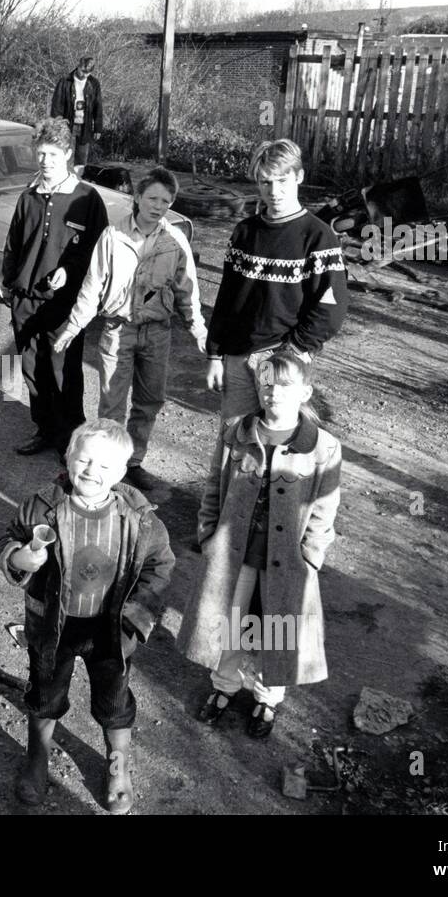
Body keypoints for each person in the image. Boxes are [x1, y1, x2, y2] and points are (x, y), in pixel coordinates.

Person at [0, 419, 175, 813]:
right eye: (85, 459)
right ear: (68, 456)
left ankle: (118, 765)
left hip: (111, 628)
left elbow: (160, 566)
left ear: (123, 471)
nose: (93, 472)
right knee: (45, 692)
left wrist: (136, 617)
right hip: (52, 625)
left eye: (106, 466)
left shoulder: (139, 517)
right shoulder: (42, 506)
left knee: (114, 699)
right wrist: (20, 557)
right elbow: (9, 537)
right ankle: (38, 758)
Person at [179, 351, 341, 739]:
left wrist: (311, 557)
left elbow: (324, 508)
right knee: (232, 623)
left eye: (285, 384)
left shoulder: (323, 447)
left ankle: (267, 697)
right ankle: (224, 688)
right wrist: (207, 534)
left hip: (288, 562)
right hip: (235, 554)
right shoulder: (236, 432)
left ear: (305, 391)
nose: (273, 392)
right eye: (266, 382)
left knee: (277, 628)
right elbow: (213, 488)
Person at [52, 167, 207, 494]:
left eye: (166, 201)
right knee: (111, 406)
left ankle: (132, 464)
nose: (158, 206)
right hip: (117, 331)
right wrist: (73, 326)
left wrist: (198, 330)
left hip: (157, 334)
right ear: (137, 198)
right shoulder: (112, 237)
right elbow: (93, 288)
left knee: (150, 401)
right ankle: (104, 471)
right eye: (152, 198)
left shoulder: (174, 241)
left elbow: (186, 291)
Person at [205, 139, 347, 422]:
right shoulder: (245, 233)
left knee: (276, 435)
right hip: (237, 355)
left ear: (299, 177)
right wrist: (214, 354)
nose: (275, 191)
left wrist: (293, 350)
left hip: (278, 356)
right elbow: (227, 297)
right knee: (236, 434)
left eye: (283, 180)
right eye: (266, 182)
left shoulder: (318, 237)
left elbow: (331, 308)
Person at [0, 117, 109, 460]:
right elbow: (13, 245)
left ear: (67, 154)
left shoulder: (87, 199)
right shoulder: (29, 197)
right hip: (27, 301)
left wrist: (69, 270)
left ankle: (70, 439)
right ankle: (44, 430)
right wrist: (10, 286)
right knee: (34, 370)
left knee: (64, 372)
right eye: (40, 154)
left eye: (52, 154)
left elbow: (99, 252)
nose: (44, 161)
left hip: (65, 305)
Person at [50, 56, 102, 172]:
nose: (84, 75)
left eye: (88, 73)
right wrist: (56, 125)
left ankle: (78, 182)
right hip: (66, 124)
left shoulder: (94, 83)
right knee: (64, 155)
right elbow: (56, 105)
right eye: (83, 71)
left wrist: (98, 128)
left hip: (85, 125)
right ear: (78, 66)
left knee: (81, 160)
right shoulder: (65, 81)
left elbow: (98, 106)